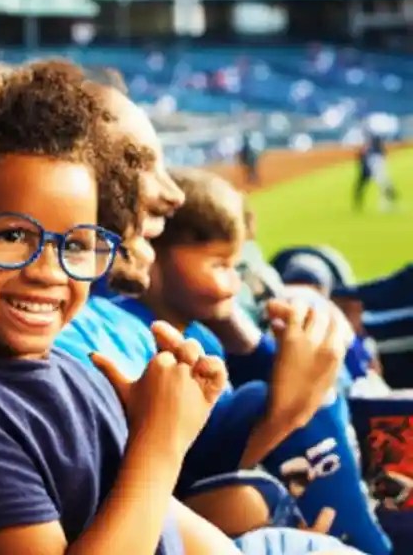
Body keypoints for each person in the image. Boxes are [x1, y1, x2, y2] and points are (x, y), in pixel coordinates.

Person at [0, 61, 235, 555]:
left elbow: (175, 532)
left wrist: (153, 431)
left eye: (77, 245)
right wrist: (158, 446)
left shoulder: (80, 374)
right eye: (10, 236)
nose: (49, 271)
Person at [53, 79, 386, 552]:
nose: (173, 195)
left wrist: (246, 340)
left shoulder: (155, 327)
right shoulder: (74, 341)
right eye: (142, 164)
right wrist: (285, 413)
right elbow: (169, 496)